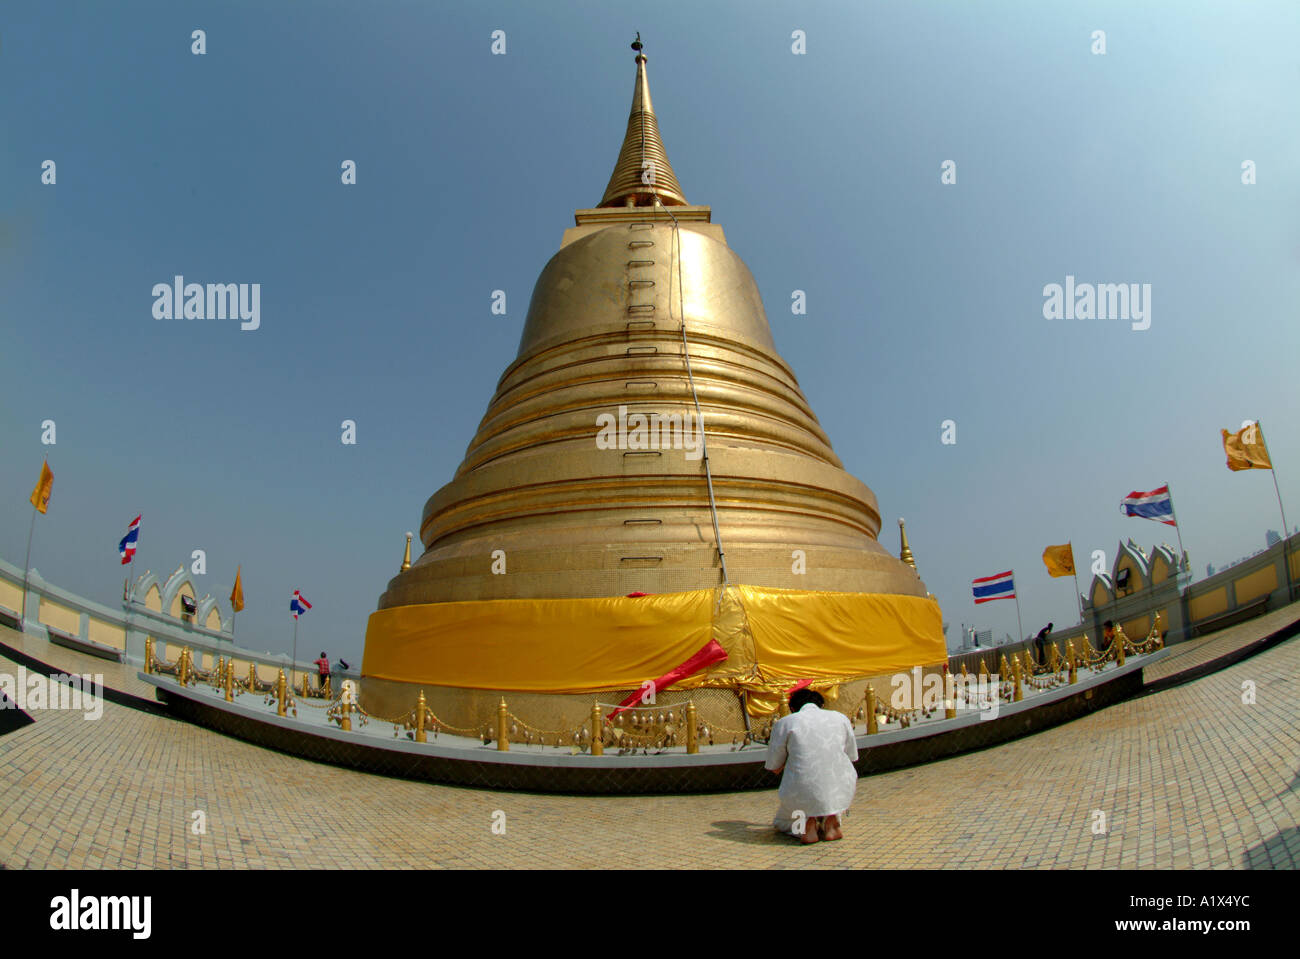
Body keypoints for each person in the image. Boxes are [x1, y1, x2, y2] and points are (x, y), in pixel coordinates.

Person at [764, 688, 859, 845]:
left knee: (781, 821)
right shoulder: (840, 718)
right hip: (841, 789)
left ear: (792, 708)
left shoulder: (786, 723)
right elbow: (852, 756)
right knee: (827, 795)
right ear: (821, 705)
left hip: (800, 792)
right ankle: (831, 822)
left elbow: (774, 767)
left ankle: (807, 825)